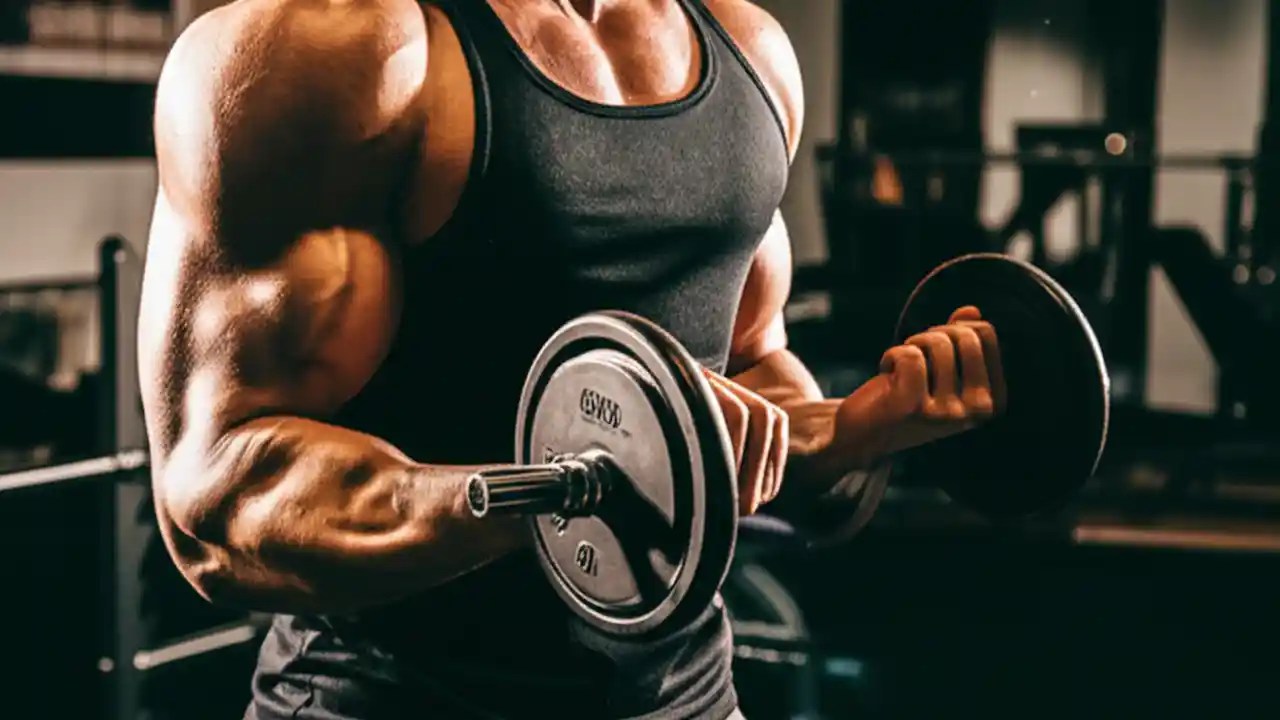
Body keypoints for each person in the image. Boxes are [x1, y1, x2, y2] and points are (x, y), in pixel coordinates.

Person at [138, 0, 1004, 717]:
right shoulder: (340, 50)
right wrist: (560, 491)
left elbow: (751, 372)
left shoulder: (751, 56)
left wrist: (847, 436)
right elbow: (215, 499)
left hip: (688, 700)